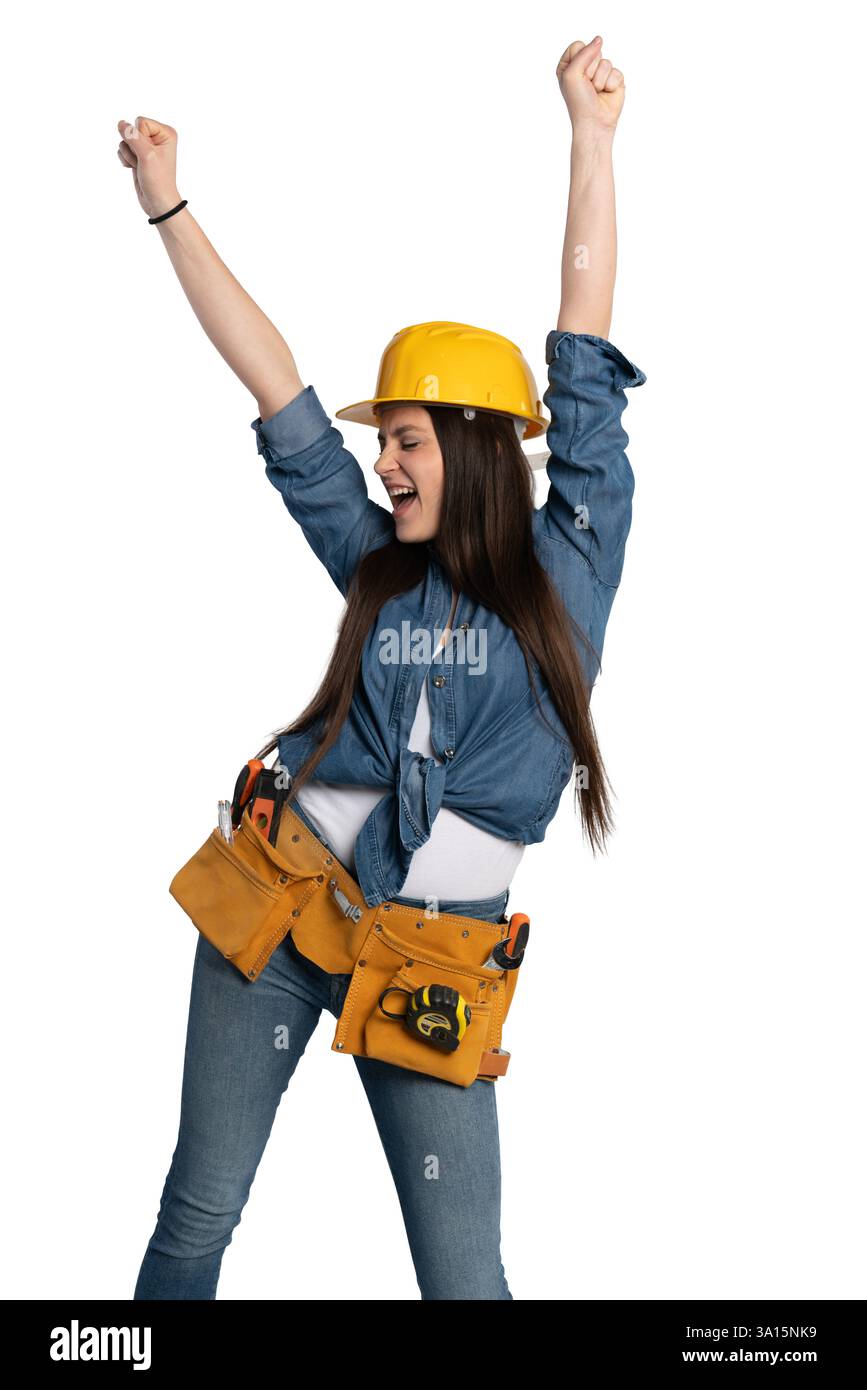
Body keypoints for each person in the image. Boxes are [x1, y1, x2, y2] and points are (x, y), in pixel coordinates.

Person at [120, 34, 646, 1301]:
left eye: (405, 440)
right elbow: (278, 390)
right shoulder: (373, 561)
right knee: (199, 1212)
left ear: (466, 448)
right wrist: (168, 207)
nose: (384, 465)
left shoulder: (566, 575)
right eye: (383, 445)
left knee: (467, 1281)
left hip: (434, 959)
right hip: (283, 910)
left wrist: (590, 140)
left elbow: (581, 365)